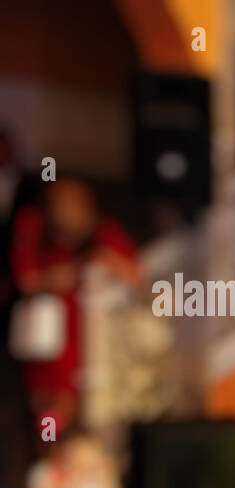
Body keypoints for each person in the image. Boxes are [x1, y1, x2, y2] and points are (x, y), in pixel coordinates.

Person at [9, 179, 141, 443]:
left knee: (87, 402)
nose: (67, 239)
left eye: (74, 233)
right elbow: (26, 279)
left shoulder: (102, 233)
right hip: (46, 330)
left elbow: (137, 275)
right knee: (51, 403)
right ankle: (50, 443)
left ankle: (71, 447)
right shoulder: (31, 224)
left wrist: (102, 259)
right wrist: (57, 277)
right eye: (61, 232)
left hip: (91, 335)